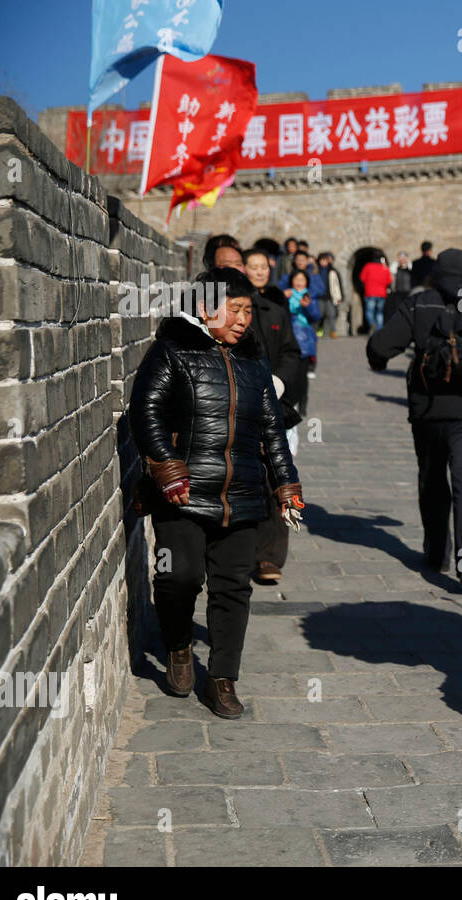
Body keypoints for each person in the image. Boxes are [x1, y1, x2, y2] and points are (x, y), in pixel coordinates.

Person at [129, 267, 303, 719]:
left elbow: (272, 430)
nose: (245, 320)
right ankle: (179, 645)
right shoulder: (171, 352)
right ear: (206, 307)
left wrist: (286, 485)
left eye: (249, 311)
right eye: (236, 309)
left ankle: (222, 679)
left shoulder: (253, 363)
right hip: (183, 493)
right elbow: (143, 410)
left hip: (243, 493)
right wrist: (167, 465)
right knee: (179, 576)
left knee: (232, 588)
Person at [365, 248, 462, 594]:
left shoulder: (421, 303)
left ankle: (436, 553)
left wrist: (379, 361)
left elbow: (380, 347)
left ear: (436, 271)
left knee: (432, 479)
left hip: (427, 410)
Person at [244, 247, 307, 585]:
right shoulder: (227, 309)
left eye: (263, 267)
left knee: (276, 479)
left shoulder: (275, 310)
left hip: (274, 407)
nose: (259, 272)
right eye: (252, 267)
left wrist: (280, 380)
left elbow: (291, 352)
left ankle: (270, 557)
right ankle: (242, 551)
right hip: (238, 407)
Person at [316, 251, 345, 339]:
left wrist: (339, 296)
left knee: (331, 314)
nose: (324, 262)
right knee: (320, 315)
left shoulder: (332, 271)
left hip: (330, 296)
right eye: (322, 260)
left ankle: (333, 331)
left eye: (325, 260)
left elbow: (337, 285)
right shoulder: (316, 271)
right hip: (319, 296)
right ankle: (318, 330)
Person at [359, 255, 392, 332]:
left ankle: (372, 323)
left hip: (370, 293)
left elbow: (362, 279)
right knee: (379, 312)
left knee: (369, 311)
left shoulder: (368, 266)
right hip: (382, 294)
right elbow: (389, 281)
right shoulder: (385, 268)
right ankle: (379, 330)